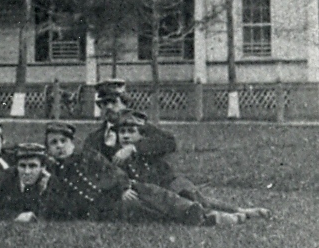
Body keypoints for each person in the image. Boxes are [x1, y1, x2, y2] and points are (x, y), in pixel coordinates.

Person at [42, 121, 234, 226]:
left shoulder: (86, 156)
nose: (59, 146)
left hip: (122, 188)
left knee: (155, 194)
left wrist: (123, 188)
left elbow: (111, 170)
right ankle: (205, 219)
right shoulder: (52, 172)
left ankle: (195, 210)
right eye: (54, 143)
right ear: (48, 149)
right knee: (145, 213)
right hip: (104, 206)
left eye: (63, 141)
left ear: (71, 143)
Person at [113, 110, 268, 220]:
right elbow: (111, 174)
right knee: (179, 204)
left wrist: (134, 148)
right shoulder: (116, 155)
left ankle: (240, 211)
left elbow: (168, 141)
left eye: (131, 131)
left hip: (167, 186)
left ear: (141, 134)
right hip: (152, 197)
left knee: (193, 194)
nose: (126, 135)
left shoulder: (146, 148)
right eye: (122, 132)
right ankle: (217, 216)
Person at [84, 79, 177, 167]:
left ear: (125, 103)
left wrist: (133, 148)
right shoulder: (93, 138)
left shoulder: (140, 127)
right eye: (104, 103)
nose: (109, 107)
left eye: (113, 102)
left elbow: (169, 142)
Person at [0, 143, 52, 222]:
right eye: (22, 166)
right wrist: (15, 217)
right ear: (16, 166)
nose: (27, 171)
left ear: (42, 167)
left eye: (32, 166)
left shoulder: (50, 182)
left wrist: (43, 192)